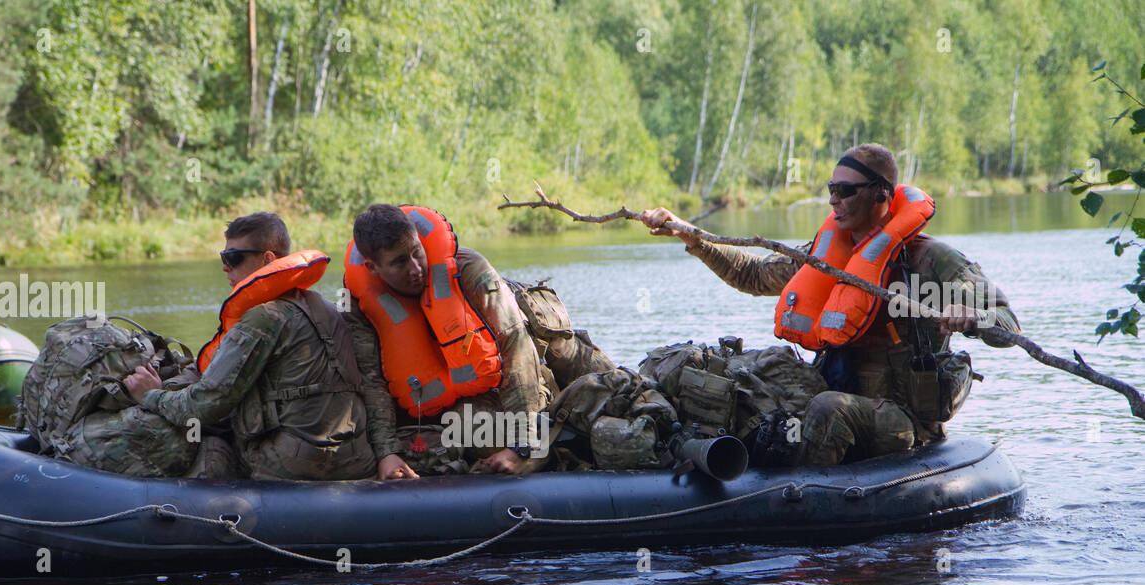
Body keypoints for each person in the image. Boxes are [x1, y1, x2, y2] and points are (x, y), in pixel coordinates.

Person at [640, 143, 1020, 466]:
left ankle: (805, 511)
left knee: (827, 408)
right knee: (746, 370)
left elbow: (1008, 325)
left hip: (902, 421)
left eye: (844, 191)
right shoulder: (827, 257)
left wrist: (972, 318)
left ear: (880, 195)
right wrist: (691, 236)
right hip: (831, 388)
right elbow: (752, 276)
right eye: (830, 189)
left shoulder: (930, 261)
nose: (833, 200)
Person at [343, 203, 613, 478]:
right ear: (372, 268)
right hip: (456, 401)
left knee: (608, 382)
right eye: (400, 262)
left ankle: (561, 433)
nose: (416, 268)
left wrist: (522, 446)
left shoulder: (469, 268)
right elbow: (372, 381)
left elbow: (515, 346)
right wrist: (387, 453)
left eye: (417, 252)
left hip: (535, 364)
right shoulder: (359, 306)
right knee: (462, 431)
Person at [122, 212, 377, 481]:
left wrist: (151, 395)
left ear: (268, 259)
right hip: (356, 460)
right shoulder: (325, 307)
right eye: (224, 257)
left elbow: (204, 406)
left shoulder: (263, 317)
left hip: (291, 466)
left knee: (202, 442)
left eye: (233, 258)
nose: (225, 267)